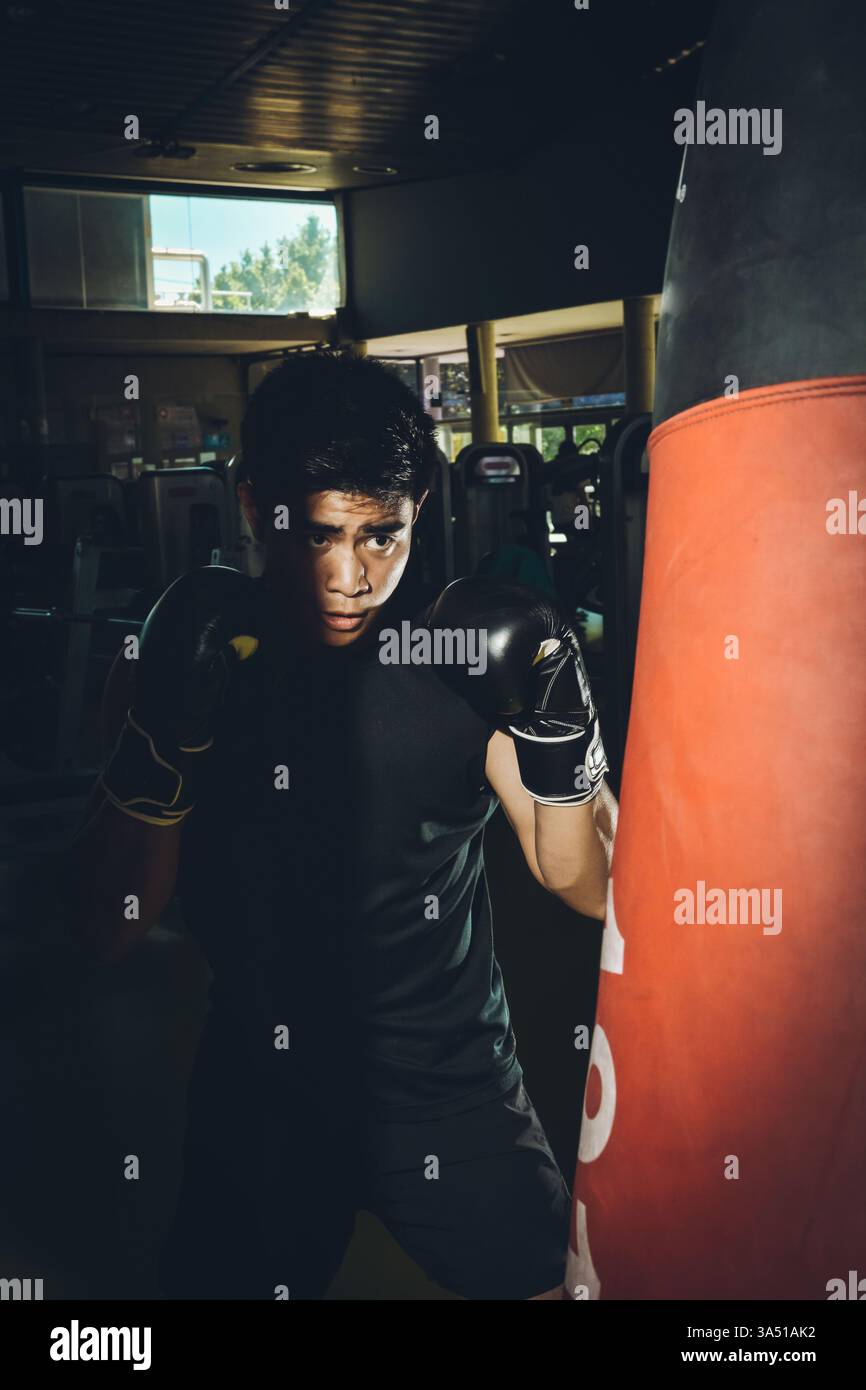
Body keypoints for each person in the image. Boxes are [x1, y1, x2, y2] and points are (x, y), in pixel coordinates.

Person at [61, 349, 617, 1301]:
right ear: (252, 507)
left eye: (382, 537)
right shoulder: (191, 662)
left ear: (417, 516)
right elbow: (103, 928)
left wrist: (568, 737)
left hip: (453, 1092)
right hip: (265, 1099)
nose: (352, 578)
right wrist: (161, 739)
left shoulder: (463, 664)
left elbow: (587, 883)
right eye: (319, 536)